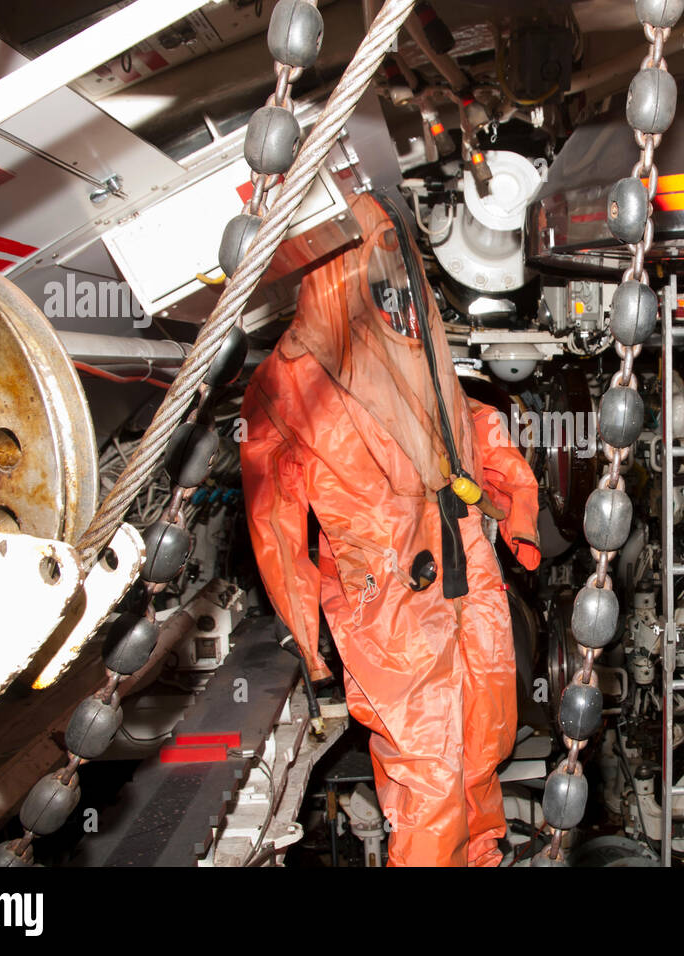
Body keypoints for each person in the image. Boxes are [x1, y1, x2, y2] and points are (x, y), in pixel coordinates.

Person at [240, 189, 540, 866]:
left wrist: (515, 505)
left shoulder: (412, 348)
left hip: (467, 569)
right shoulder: (290, 379)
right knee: (429, 776)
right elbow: (273, 519)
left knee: (485, 750)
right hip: (390, 599)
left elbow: (469, 424)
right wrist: (308, 636)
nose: (394, 289)